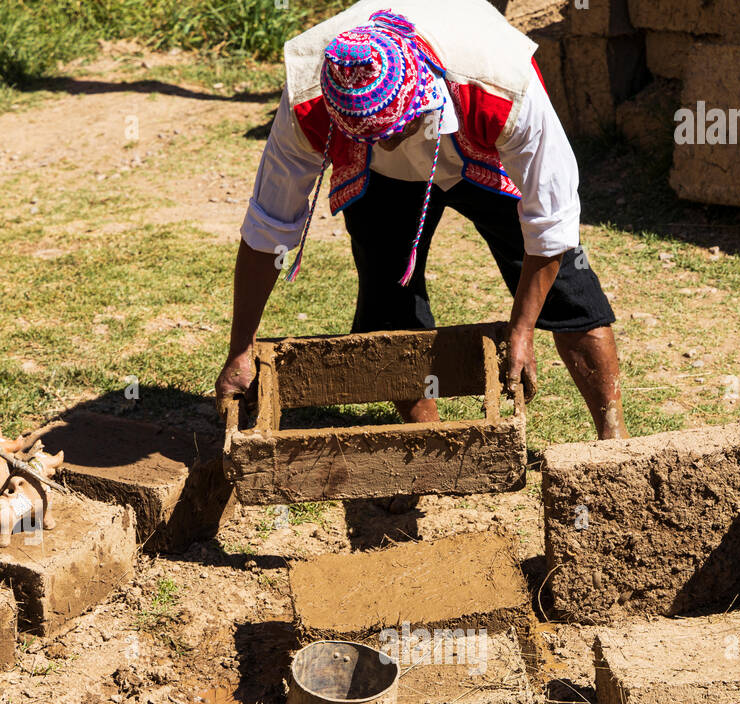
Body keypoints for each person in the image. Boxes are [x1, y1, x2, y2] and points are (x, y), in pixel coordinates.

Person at [215, 0, 627, 451]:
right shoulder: (309, 98)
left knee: (567, 284)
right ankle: (425, 448)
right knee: (388, 295)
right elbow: (267, 229)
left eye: (391, 131)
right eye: (366, 134)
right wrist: (240, 348)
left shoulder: (503, 84)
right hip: (380, 178)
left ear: (419, 92)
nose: (383, 140)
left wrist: (522, 330)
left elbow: (551, 222)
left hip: (479, 146)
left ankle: (612, 441)